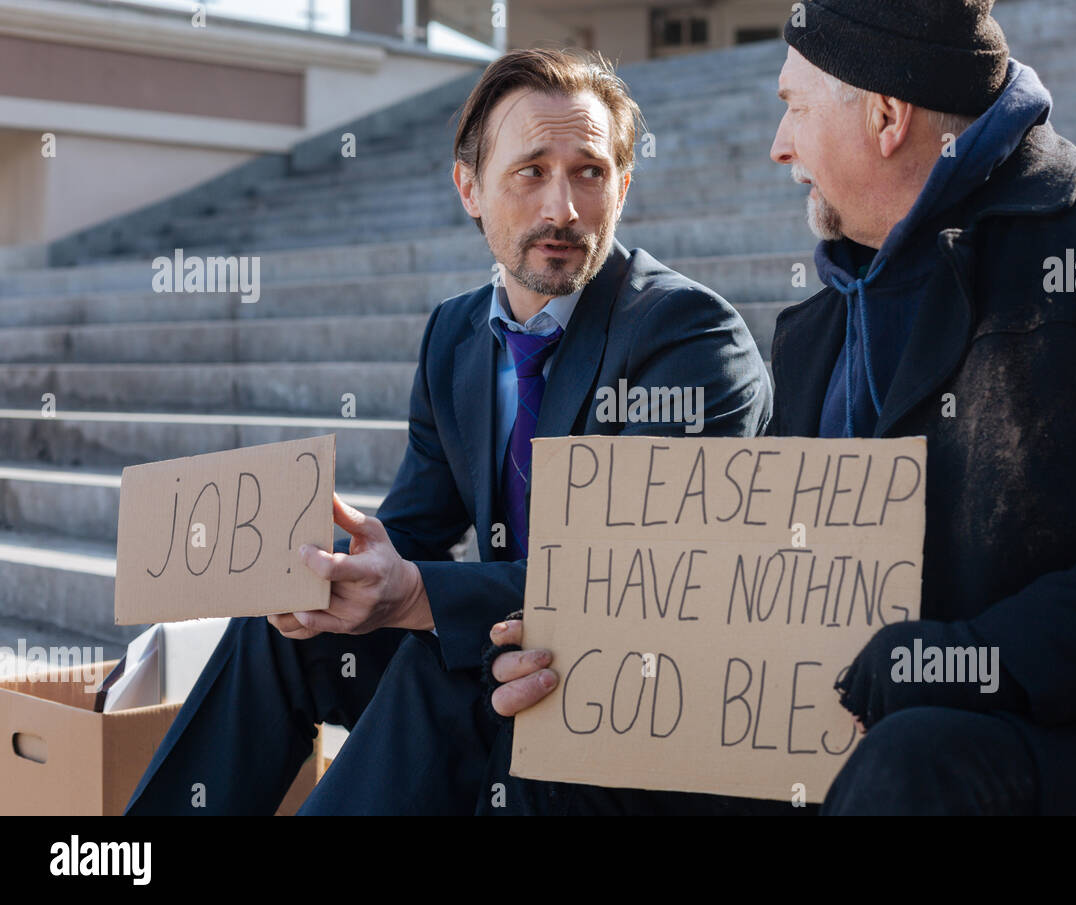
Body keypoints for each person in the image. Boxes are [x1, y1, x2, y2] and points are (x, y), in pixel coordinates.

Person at [482, 0, 1076, 816]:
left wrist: (990, 658)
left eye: (793, 108)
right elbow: (770, 595)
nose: (779, 146)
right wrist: (594, 652)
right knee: (564, 752)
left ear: (883, 116)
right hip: (866, 749)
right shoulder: (816, 333)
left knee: (917, 763)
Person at [124, 48, 771, 815]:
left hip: (636, 685)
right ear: (470, 187)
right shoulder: (456, 334)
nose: (563, 207)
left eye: (590, 172)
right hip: (507, 645)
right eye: (531, 170)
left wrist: (413, 594)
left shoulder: (690, 337)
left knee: (438, 666)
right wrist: (329, 574)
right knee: (282, 626)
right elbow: (418, 526)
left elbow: (629, 579)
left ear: (623, 187)